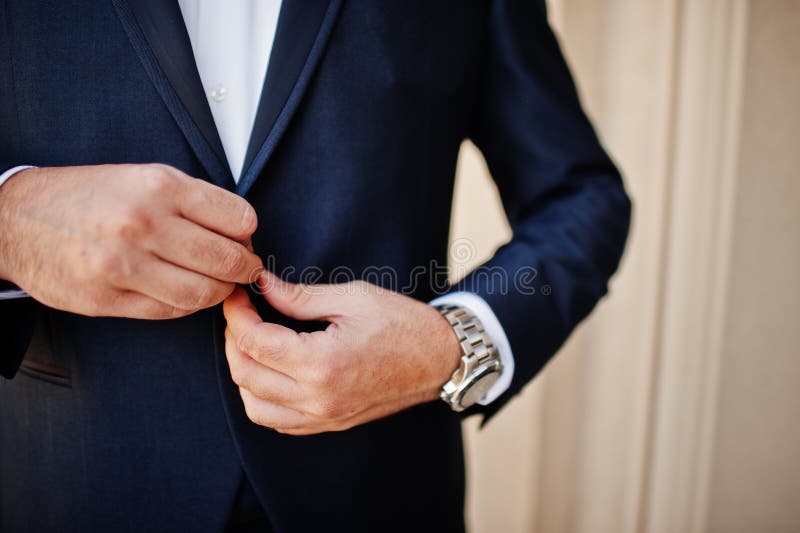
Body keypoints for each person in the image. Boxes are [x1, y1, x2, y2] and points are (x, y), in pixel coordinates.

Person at [0, 1, 631, 531]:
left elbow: (581, 196)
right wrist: (9, 225)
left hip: (380, 494)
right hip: (67, 485)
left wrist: (454, 342)